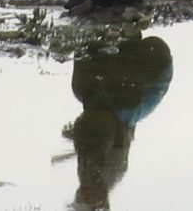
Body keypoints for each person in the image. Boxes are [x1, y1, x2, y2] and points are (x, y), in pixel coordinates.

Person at [64, 36, 174, 210]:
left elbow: (88, 139)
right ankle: (125, 41)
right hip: (156, 67)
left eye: (81, 195)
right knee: (118, 94)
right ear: (103, 199)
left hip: (112, 97)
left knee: (82, 87)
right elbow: (122, 134)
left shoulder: (86, 174)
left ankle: (103, 40)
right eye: (86, 197)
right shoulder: (114, 170)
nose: (82, 192)